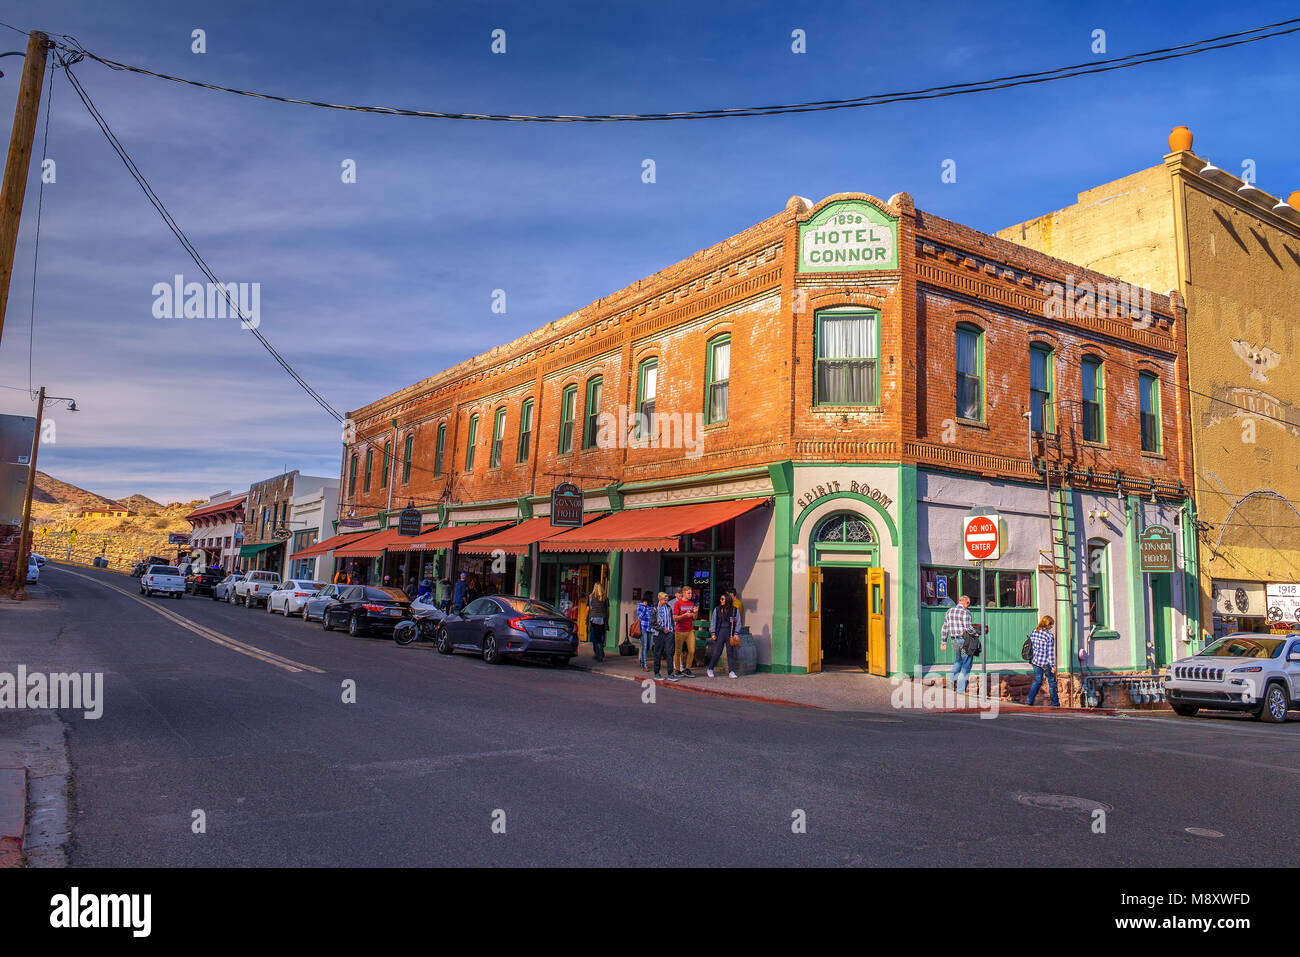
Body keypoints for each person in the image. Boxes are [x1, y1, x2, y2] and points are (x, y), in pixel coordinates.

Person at [940, 595, 982, 695]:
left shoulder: (949, 611)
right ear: (966, 603)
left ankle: (950, 687)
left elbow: (944, 627)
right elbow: (968, 627)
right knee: (966, 664)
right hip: (964, 641)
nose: (969, 606)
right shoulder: (965, 612)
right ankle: (960, 690)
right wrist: (976, 634)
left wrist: (943, 642)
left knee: (958, 662)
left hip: (954, 640)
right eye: (969, 604)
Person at [1025, 615, 1061, 707]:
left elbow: (1032, 646)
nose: (1051, 627)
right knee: (1052, 682)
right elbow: (1050, 653)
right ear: (1047, 625)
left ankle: (1029, 700)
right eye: (1051, 625)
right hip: (1045, 662)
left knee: (1037, 680)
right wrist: (1053, 666)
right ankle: (1055, 703)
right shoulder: (1049, 636)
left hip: (1035, 660)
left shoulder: (1034, 632)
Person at [707, 591, 739, 679]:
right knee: (717, 651)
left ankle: (731, 671)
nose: (721, 600)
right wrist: (713, 633)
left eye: (722, 599)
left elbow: (738, 622)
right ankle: (710, 668)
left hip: (730, 633)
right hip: (720, 631)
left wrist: (736, 633)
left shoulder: (734, 610)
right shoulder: (717, 609)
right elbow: (713, 622)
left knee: (730, 652)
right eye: (721, 599)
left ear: (727, 600)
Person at [671, 585, 698, 678]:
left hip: (690, 630)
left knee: (692, 650)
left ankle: (687, 669)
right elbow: (675, 618)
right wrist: (684, 615)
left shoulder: (691, 604)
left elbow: (694, 618)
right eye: (689, 593)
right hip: (679, 630)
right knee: (678, 651)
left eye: (691, 593)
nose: (690, 595)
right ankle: (677, 670)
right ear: (683, 593)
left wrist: (695, 612)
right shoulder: (677, 604)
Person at [651, 592, 677, 680]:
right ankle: (656, 672)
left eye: (667, 600)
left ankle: (670, 673)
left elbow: (671, 620)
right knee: (658, 653)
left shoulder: (669, 608)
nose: (666, 602)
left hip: (669, 633)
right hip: (659, 633)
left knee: (670, 653)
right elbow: (652, 623)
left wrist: (672, 630)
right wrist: (662, 628)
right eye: (664, 600)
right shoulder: (655, 608)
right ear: (660, 599)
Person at [587, 582, 608, 663]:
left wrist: (586, 619)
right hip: (602, 619)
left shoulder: (591, 597)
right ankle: (601, 650)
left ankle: (598, 653)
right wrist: (607, 620)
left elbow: (589, 608)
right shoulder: (605, 597)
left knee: (595, 637)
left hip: (594, 618)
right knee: (602, 635)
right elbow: (607, 610)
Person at [636, 594, 655, 670]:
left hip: (650, 628)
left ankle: (641, 659)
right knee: (644, 645)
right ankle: (644, 664)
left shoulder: (652, 606)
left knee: (649, 646)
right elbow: (640, 616)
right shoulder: (641, 605)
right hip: (643, 627)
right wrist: (644, 607)